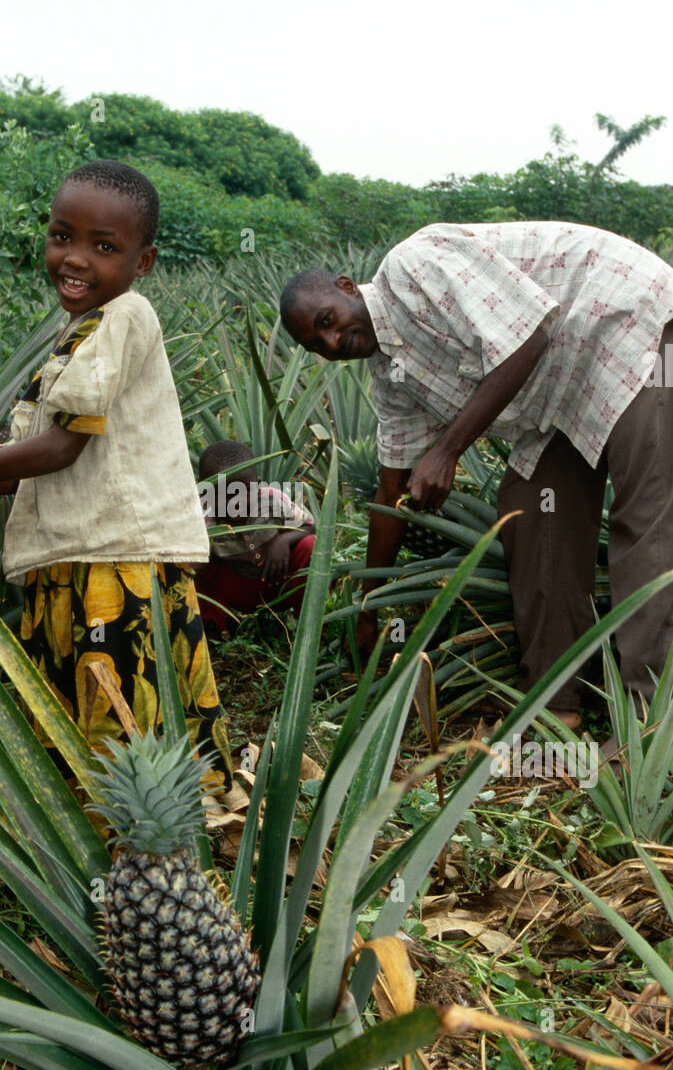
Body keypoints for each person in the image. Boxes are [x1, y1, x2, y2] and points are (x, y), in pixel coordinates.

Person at [0, 159, 232, 797]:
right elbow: (25, 468)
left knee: (116, 718)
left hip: (116, 559)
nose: (77, 258)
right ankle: (102, 850)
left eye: (105, 246)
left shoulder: (124, 318)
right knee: (92, 716)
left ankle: (130, 859)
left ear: (142, 263)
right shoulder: (81, 332)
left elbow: (60, 449)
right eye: (63, 235)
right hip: (78, 554)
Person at [279, 220, 673, 732]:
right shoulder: (392, 379)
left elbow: (529, 337)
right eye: (318, 343)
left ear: (347, 287)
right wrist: (369, 608)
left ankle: (651, 727)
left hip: (624, 324)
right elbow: (392, 489)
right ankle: (557, 705)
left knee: (648, 520)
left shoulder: (412, 267)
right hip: (560, 389)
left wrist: (446, 450)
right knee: (530, 515)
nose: (333, 341)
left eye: (328, 319)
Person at [193, 440, 315, 635]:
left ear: (257, 486)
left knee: (310, 546)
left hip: (280, 582)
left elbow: (310, 528)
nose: (234, 503)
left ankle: (311, 625)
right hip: (239, 591)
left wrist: (283, 540)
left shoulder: (273, 500)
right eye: (222, 495)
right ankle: (215, 630)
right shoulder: (204, 519)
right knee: (195, 569)